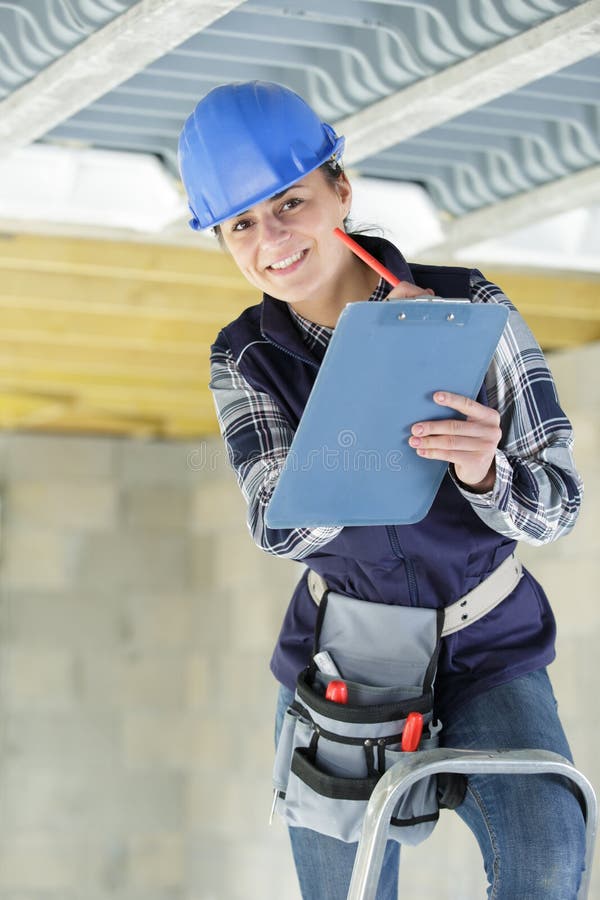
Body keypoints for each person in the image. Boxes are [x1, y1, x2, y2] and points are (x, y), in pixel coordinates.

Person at [178, 81, 586, 899]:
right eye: (242, 224)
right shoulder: (243, 356)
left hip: (488, 645)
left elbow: (556, 506)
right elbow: (277, 524)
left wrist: (483, 468)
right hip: (343, 660)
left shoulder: (470, 309)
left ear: (342, 190)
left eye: (291, 201)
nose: (272, 239)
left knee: (548, 860)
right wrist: (378, 378)